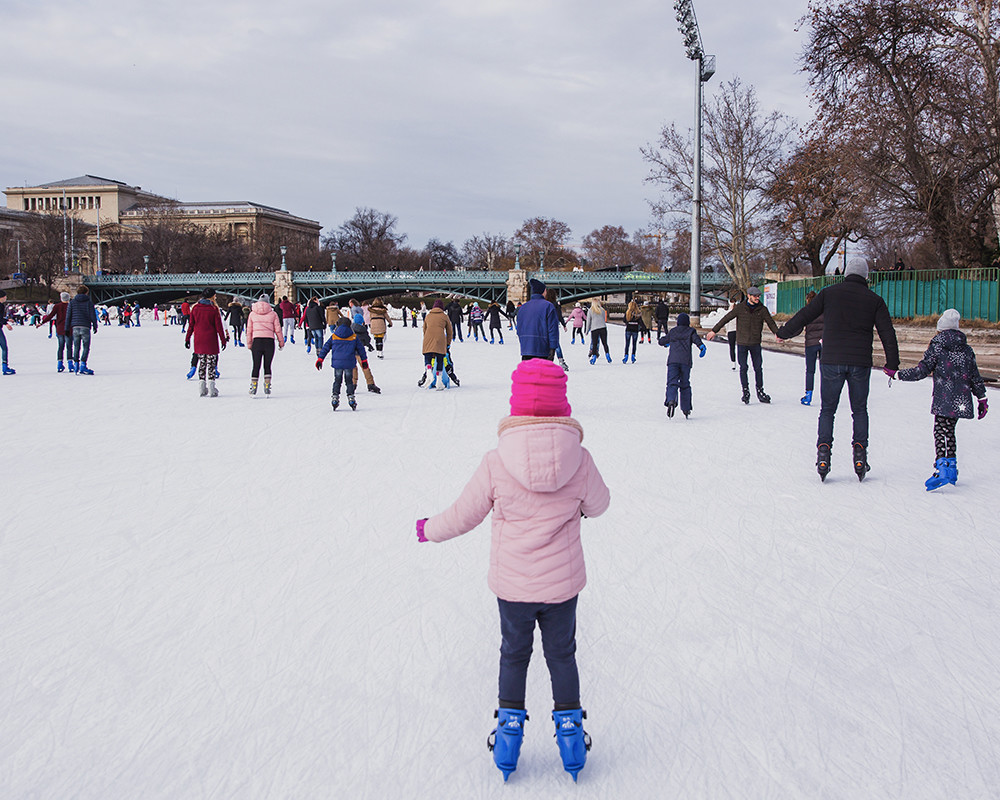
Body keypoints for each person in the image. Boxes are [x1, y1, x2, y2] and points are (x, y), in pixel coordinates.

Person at [415, 359, 610, 782]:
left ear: (516, 405)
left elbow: (464, 514)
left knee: (513, 655)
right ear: (562, 405)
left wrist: (429, 529)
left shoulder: (496, 461)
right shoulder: (580, 458)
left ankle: (507, 736)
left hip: (513, 587)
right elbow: (600, 505)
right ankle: (572, 736)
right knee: (562, 656)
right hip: (562, 587)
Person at [775, 257, 899, 481]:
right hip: (860, 362)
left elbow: (805, 315)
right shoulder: (875, 300)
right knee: (859, 410)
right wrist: (892, 364)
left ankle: (823, 455)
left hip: (831, 360)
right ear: (866, 277)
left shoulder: (829, 293)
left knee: (827, 410)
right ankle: (860, 456)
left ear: (846, 274)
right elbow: (887, 333)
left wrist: (784, 332)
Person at [894, 309, 988, 490]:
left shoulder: (937, 346)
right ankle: (951, 468)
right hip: (961, 399)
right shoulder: (966, 349)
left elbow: (921, 371)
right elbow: (975, 376)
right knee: (949, 431)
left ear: (940, 330)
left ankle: (941, 469)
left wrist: (897, 375)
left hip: (944, 398)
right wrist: (982, 398)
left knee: (940, 431)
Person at [705, 286, 780, 404]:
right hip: (742, 343)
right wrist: (714, 330)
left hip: (755, 343)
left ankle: (760, 391)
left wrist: (777, 333)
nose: (757, 298)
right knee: (743, 368)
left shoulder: (762, 309)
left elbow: (770, 322)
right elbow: (726, 318)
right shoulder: (740, 308)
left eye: (758, 296)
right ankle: (745, 392)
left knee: (758, 368)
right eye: (755, 296)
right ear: (749, 296)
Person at [659, 312, 706, 418]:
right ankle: (686, 409)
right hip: (685, 362)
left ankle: (671, 400)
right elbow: (696, 340)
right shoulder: (690, 331)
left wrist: (664, 341)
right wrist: (701, 346)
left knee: (672, 382)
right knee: (684, 384)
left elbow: (663, 341)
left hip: (673, 361)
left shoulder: (673, 331)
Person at [315, 316, 369, 410]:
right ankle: (351, 398)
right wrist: (364, 361)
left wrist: (320, 359)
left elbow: (325, 348)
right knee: (349, 381)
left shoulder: (334, 336)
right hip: (349, 363)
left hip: (338, 364)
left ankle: (335, 398)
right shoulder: (353, 337)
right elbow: (361, 350)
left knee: (337, 380)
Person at [185, 288, 228, 397]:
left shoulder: (195, 309)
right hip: (211, 340)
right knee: (211, 364)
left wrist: (187, 338)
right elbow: (219, 327)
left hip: (199, 340)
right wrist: (223, 340)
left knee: (202, 363)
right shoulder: (213, 309)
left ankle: (202, 388)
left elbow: (191, 325)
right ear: (211, 296)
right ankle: (212, 388)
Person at [245, 294, 284, 396]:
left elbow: (249, 331)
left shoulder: (252, 314)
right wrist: (281, 342)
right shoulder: (273, 314)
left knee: (256, 365)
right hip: (269, 342)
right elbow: (278, 329)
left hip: (257, 342)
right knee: (267, 365)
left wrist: (249, 344)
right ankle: (267, 386)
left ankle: (253, 387)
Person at [515, 279, 559, 361]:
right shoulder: (548, 306)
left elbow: (519, 329)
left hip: (526, 350)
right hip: (543, 351)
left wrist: (524, 343)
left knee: (528, 374)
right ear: (544, 291)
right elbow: (553, 330)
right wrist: (552, 349)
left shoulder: (523, 307)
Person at [419, 299, 454, 389]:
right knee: (440, 359)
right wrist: (448, 344)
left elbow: (424, 329)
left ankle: (429, 371)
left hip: (428, 338)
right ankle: (439, 381)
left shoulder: (428, 316)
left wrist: (427, 338)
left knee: (428, 357)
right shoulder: (444, 316)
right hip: (440, 339)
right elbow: (450, 331)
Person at [65, 286, 99, 375]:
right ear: (86, 293)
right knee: (86, 346)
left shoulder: (72, 303)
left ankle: (76, 364)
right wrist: (95, 325)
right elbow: (92, 315)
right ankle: (83, 364)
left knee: (76, 346)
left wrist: (66, 328)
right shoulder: (89, 303)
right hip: (85, 326)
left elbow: (68, 316)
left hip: (75, 326)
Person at [38, 292, 71, 372]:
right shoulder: (71, 306)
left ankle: (59, 364)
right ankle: (70, 364)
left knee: (60, 347)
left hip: (60, 328)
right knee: (69, 347)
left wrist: (42, 322)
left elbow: (50, 315)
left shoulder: (57, 306)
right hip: (69, 329)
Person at [801, 291, 824, 406]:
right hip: (823, 343)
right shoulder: (825, 311)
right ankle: (826, 395)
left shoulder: (807, 311)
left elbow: (798, 326)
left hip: (811, 344)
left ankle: (808, 395)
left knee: (810, 371)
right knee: (825, 370)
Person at [350, 312, 382, 394]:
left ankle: (353, 384)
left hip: (351, 352)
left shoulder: (350, 329)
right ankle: (370, 383)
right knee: (365, 367)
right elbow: (367, 340)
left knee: (353, 368)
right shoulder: (363, 330)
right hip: (360, 352)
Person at [543, 288, 569, 371]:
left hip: (545, 326)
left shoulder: (545, 304)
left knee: (544, 344)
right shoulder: (555, 305)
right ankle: (561, 362)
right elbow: (559, 316)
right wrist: (564, 325)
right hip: (553, 326)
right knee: (556, 344)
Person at [584, 299, 611, 364]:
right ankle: (607, 355)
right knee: (605, 343)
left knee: (594, 344)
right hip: (603, 328)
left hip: (594, 328)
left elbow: (588, 321)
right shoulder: (602, 310)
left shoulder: (590, 311)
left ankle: (594, 357)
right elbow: (604, 319)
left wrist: (587, 330)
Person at [0, 289, 14, 375]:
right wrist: (6, 324)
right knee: (4, 347)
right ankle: (5, 367)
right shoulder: (1, 306)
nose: (6, 298)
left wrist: (7, 320)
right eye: (5, 296)